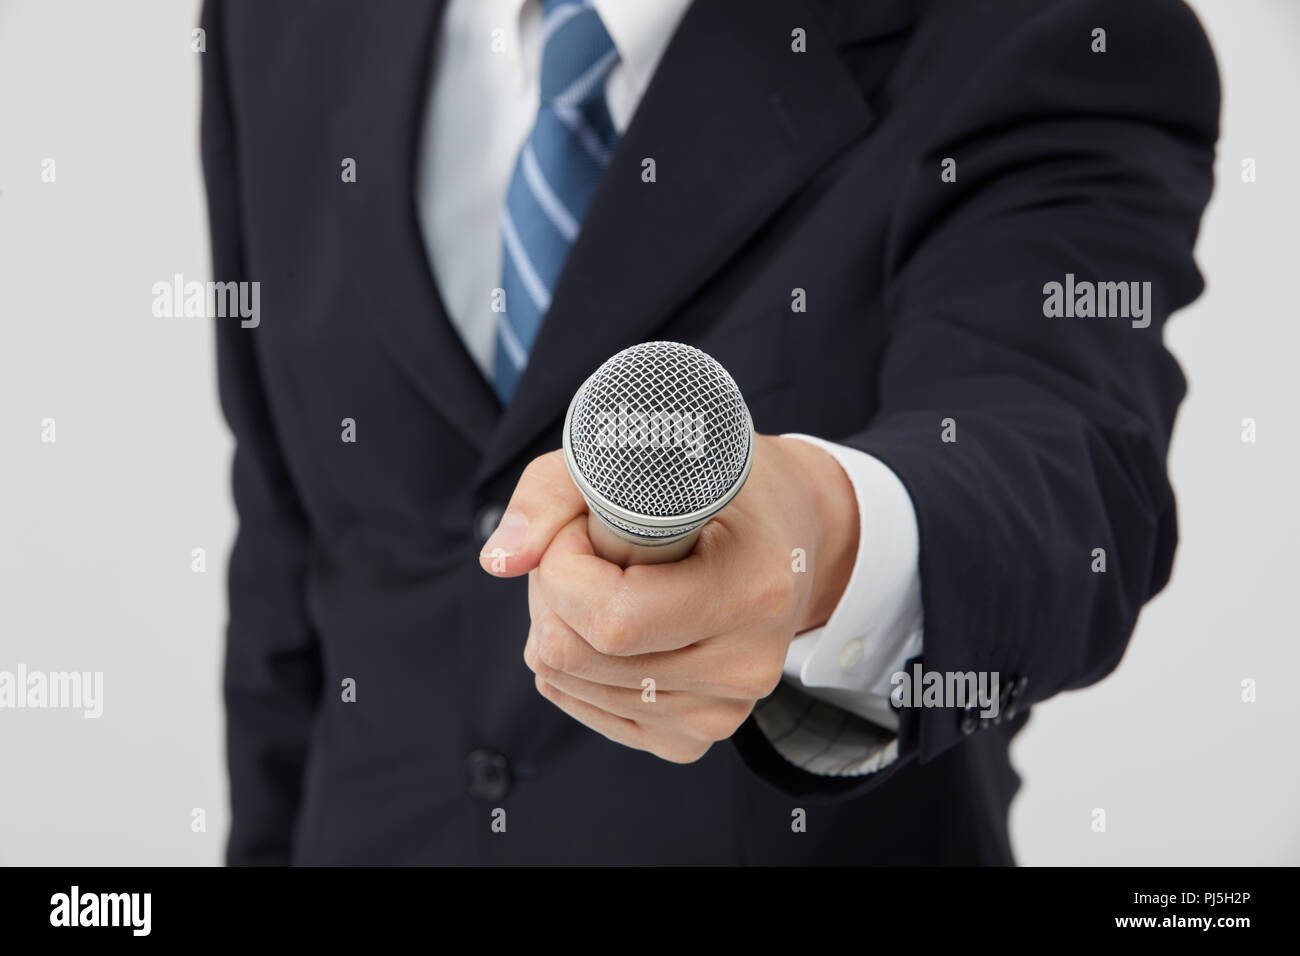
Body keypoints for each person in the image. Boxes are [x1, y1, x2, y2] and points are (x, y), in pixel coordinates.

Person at [202, 0, 1220, 864]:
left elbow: (1057, 452)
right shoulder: (278, 20)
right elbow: (290, 547)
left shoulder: (1042, 29)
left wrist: (821, 538)